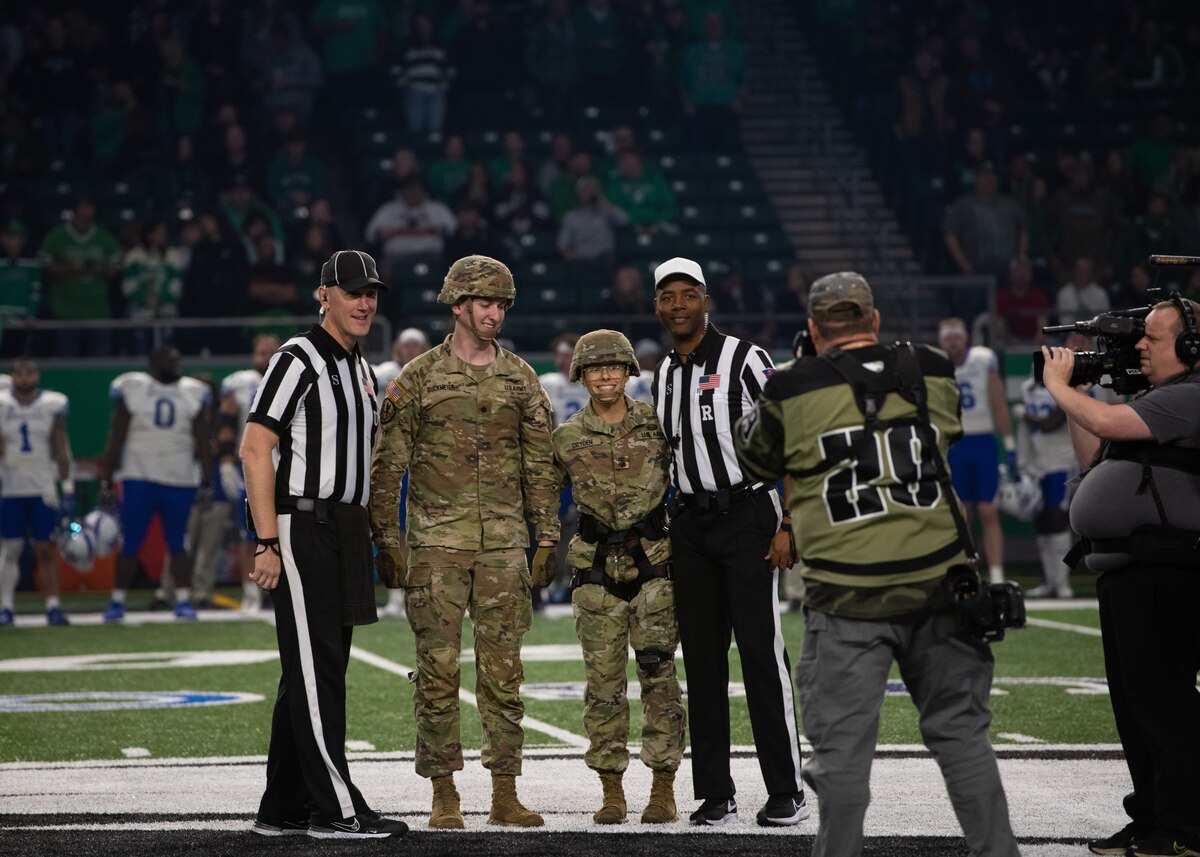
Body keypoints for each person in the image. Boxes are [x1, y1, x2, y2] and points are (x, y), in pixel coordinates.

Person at [734, 271, 1021, 857]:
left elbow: (756, 457)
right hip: (941, 582)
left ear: (813, 329)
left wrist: (801, 375)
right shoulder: (933, 367)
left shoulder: (791, 385)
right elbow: (945, 434)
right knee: (963, 738)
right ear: (875, 319)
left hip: (849, 594)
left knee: (840, 759)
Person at [368, 254, 558, 830]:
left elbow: (540, 465)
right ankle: (443, 793)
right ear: (458, 306)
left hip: (503, 545)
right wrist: (387, 539)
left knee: (504, 672)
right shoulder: (418, 378)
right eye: (484, 303)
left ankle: (505, 792)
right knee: (436, 669)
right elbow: (388, 467)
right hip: (435, 546)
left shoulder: (521, 377)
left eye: (502, 304)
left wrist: (546, 536)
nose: (494, 313)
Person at [241, 249, 407, 839]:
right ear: (324, 295)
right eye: (353, 291)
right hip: (304, 524)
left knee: (309, 670)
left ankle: (281, 809)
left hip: (345, 527)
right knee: (319, 672)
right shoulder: (299, 357)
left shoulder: (360, 367)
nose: (365, 302)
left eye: (373, 293)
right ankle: (334, 811)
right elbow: (255, 447)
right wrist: (265, 540)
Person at [648, 257, 806, 827]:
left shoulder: (746, 358)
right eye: (668, 296)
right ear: (658, 306)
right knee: (703, 663)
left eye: (689, 294)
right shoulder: (661, 374)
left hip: (747, 514)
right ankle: (716, 791)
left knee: (762, 654)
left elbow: (789, 435)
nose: (679, 305)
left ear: (706, 300)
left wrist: (788, 521)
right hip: (689, 523)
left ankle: (786, 787)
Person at [1040, 295, 1200, 857]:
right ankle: (1152, 819)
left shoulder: (1191, 396)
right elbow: (1093, 458)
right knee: (1136, 704)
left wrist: (1060, 386)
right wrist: (1073, 396)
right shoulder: (1157, 400)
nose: (1139, 347)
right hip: (1127, 570)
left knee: (1164, 701)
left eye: (1152, 339)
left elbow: (1107, 420)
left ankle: (1185, 830)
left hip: (1165, 566)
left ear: (1191, 348)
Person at [550, 330, 685, 825]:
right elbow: (545, 500)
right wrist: (544, 548)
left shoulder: (657, 426)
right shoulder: (565, 436)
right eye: (594, 368)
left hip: (655, 568)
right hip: (595, 573)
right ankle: (611, 790)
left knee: (659, 678)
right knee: (603, 687)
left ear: (630, 372)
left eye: (614, 367)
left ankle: (663, 788)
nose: (605, 376)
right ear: (580, 375)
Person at [100, 347, 212, 622]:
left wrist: (207, 480)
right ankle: (117, 600)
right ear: (153, 363)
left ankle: (183, 600)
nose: (176, 364)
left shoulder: (193, 391)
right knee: (131, 541)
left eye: (178, 359)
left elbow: (203, 441)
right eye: (170, 360)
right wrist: (106, 478)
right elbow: (117, 436)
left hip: (179, 477)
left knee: (178, 542)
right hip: (140, 474)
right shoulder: (134, 387)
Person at [938, 317, 1017, 584]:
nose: (953, 342)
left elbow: (998, 403)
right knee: (963, 513)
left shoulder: (983, 359)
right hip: (955, 444)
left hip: (983, 442)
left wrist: (1009, 445)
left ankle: (996, 574)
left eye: (956, 336)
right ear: (940, 341)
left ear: (966, 338)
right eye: (947, 337)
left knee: (987, 510)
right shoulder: (938, 366)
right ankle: (969, 570)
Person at [0, 360, 73, 627]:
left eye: (29, 373)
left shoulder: (51, 405)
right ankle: (5, 606)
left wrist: (67, 488)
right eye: (19, 373)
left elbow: (61, 446)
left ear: (37, 375)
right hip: (11, 485)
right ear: (12, 376)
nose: (24, 378)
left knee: (45, 549)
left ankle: (53, 605)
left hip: (42, 486)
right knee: (11, 549)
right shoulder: (2, 404)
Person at [215, 334, 281, 613]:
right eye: (260, 351)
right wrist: (226, 463)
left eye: (270, 351)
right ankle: (250, 593)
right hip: (254, 466)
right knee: (250, 533)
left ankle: (284, 593)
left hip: (287, 466)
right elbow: (227, 424)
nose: (265, 356)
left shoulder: (289, 378)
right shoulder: (238, 383)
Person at [372, 326, 431, 620]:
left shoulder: (433, 372)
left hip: (427, 460)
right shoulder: (386, 374)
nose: (411, 350)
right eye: (406, 345)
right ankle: (396, 592)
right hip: (394, 459)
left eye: (416, 345)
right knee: (392, 528)